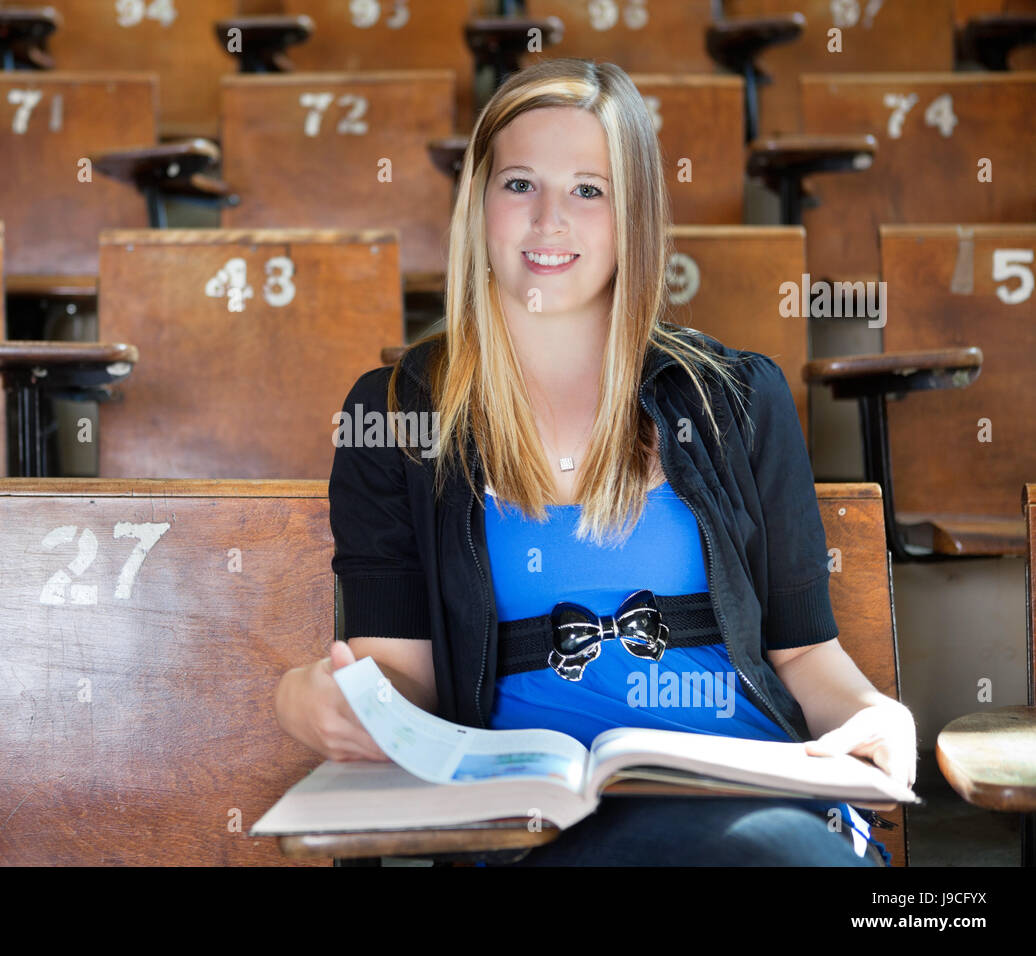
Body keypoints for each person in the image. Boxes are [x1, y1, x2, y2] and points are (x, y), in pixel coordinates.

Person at [274, 58, 916, 866]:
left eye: (589, 189)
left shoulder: (735, 398)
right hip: (533, 829)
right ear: (477, 205)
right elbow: (401, 679)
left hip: (753, 799)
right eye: (519, 186)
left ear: (633, 217)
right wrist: (319, 701)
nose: (551, 220)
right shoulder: (399, 416)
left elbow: (805, 652)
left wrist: (871, 715)